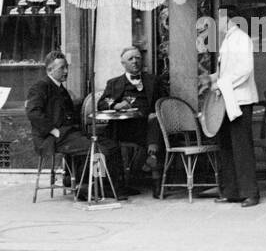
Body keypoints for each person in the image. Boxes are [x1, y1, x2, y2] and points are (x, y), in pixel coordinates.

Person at [26, 49, 132, 200]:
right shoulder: (40, 87)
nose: (66, 71)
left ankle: (113, 186)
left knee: (111, 144)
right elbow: (33, 113)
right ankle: (89, 187)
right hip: (51, 138)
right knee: (97, 149)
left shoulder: (60, 88)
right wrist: (53, 131)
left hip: (69, 134)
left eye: (66, 67)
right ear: (50, 69)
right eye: (61, 68)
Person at [206, 12, 260, 207]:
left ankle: (250, 193)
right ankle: (231, 191)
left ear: (228, 20)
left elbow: (244, 70)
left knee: (241, 147)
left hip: (240, 100)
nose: (217, 22)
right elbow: (227, 71)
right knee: (227, 145)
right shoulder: (228, 40)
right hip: (228, 99)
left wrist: (220, 83)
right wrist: (212, 78)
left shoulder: (241, 39)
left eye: (219, 18)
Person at [96, 45, 164, 185]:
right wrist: (115, 105)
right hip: (123, 128)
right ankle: (149, 163)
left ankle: (148, 167)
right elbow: (102, 103)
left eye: (137, 58)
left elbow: (164, 101)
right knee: (153, 132)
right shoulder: (114, 83)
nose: (135, 61)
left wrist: (156, 112)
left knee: (154, 122)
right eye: (130, 59)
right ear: (123, 63)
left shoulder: (153, 81)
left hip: (146, 125)